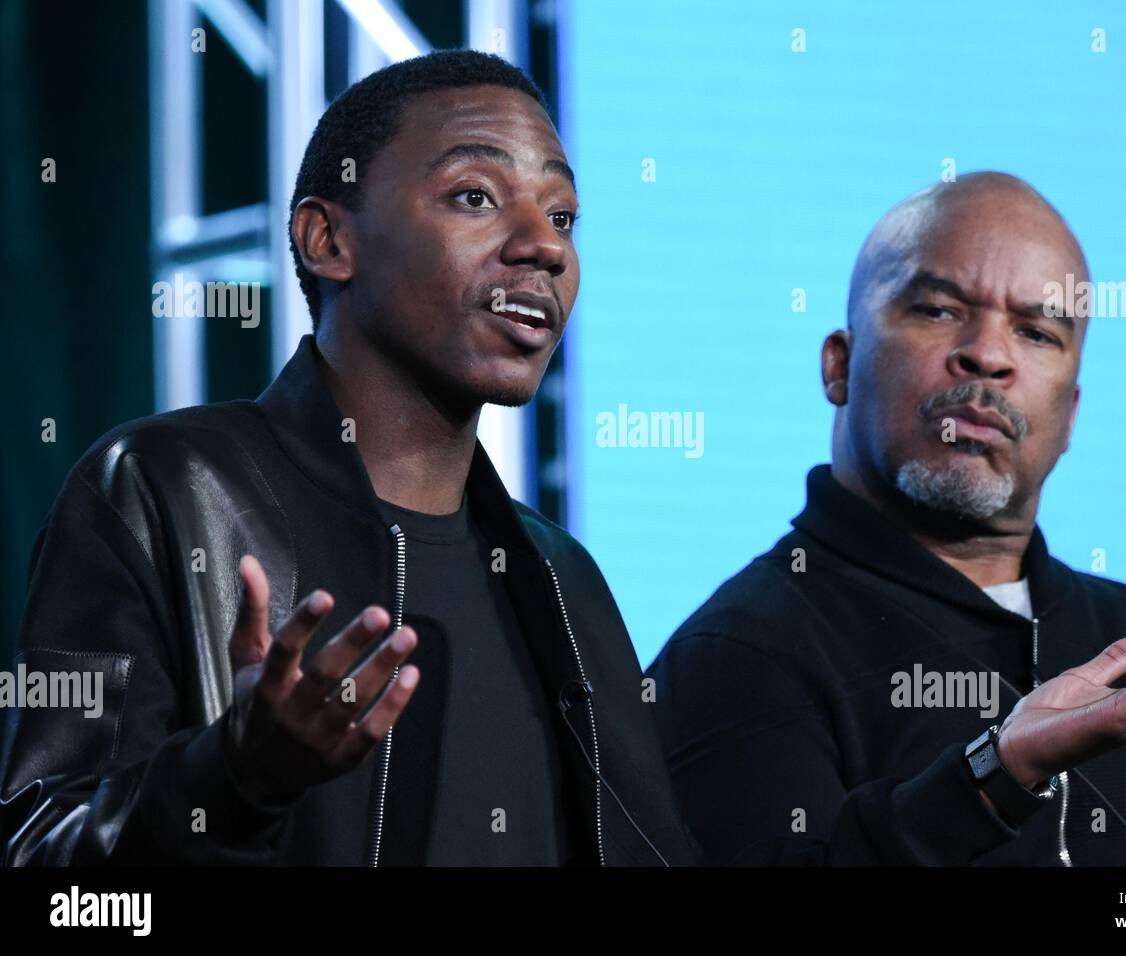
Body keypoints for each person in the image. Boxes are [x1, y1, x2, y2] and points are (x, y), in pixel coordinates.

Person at [0, 50, 696, 866]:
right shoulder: (161, 492)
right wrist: (231, 779)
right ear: (327, 239)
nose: (545, 246)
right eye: (476, 196)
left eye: (564, 216)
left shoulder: (563, 581)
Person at [647, 172, 1126, 866]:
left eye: (1036, 331)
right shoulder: (735, 656)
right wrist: (996, 775)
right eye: (937, 310)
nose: (987, 356)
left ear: (1071, 414)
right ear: (839, 365)